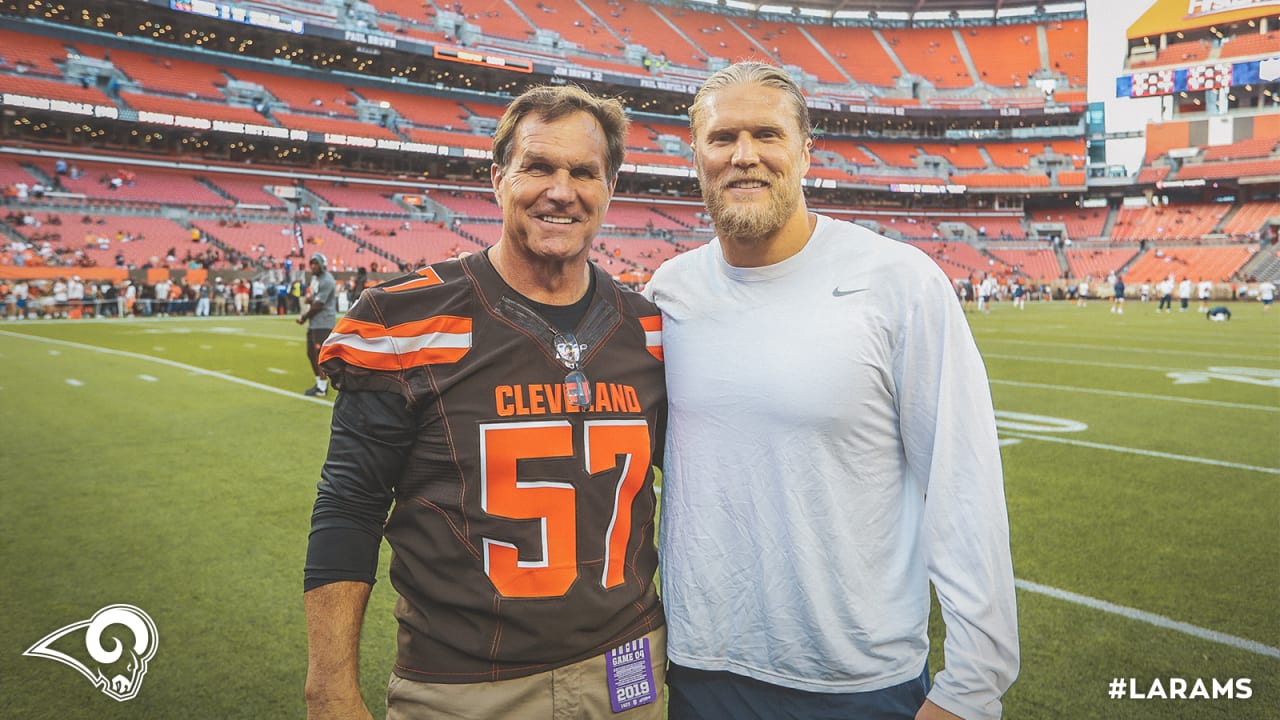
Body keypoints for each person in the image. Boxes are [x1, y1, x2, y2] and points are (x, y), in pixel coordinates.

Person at [644, 62, 1019, 720]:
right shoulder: (668, 292)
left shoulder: (899, 282)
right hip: (701, 673)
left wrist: (972, 688)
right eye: (722, 137)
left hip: (858, 683)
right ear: (695, 155)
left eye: (767, 134)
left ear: (805, 152)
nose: (744, 156)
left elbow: (963, 486)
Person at [303, 85, 667, 720]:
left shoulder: (651, 332)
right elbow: (348, 511)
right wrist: (329, 691)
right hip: (463, 688)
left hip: (626, 670)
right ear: (497, 177)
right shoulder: (404, 321)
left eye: (584, 171)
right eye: (538, 167)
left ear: (610, 186)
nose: (562, 189)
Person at [297, 251, 338, 396]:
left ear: (322, 265)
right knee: (311, 353)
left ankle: (322, 387)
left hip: (323, 321)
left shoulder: (327, 280)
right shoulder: (316, 279)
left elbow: (319, 304)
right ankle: (320, 384)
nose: (313, 266)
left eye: (316, 264)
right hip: (315, 322)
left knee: (320, 355)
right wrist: (310, 299)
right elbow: (315, 298)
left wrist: (304, 317)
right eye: (312, 263)